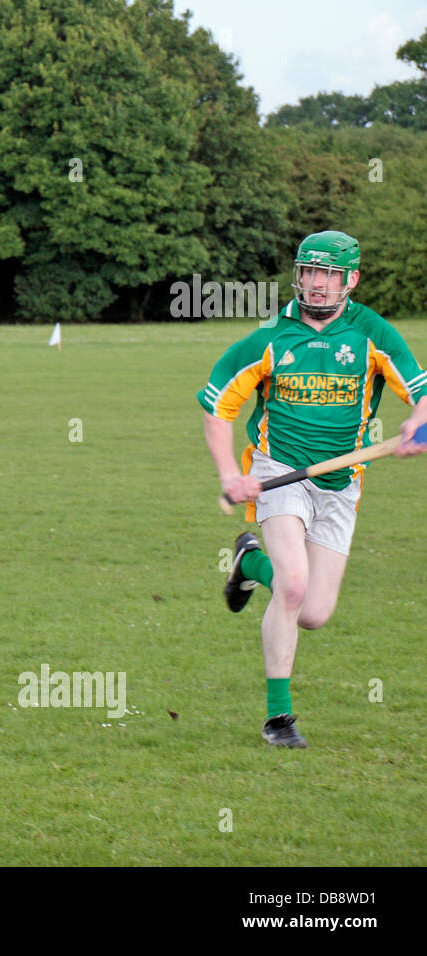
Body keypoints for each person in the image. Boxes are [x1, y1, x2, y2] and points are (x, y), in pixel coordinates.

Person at [199, 230, 427, 748]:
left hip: (341, 485)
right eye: (310, 272)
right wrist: (228, 476)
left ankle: (248, 564)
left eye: (329, 274)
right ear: (298, 275)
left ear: (352, 280)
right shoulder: (269, 338)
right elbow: (217, 410)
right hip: (279, 473)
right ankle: (279, 720)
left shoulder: (371, 333)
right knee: (294, 585)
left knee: (315, 613)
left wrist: (420, 423)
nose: (318, 284)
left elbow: (423, 390)